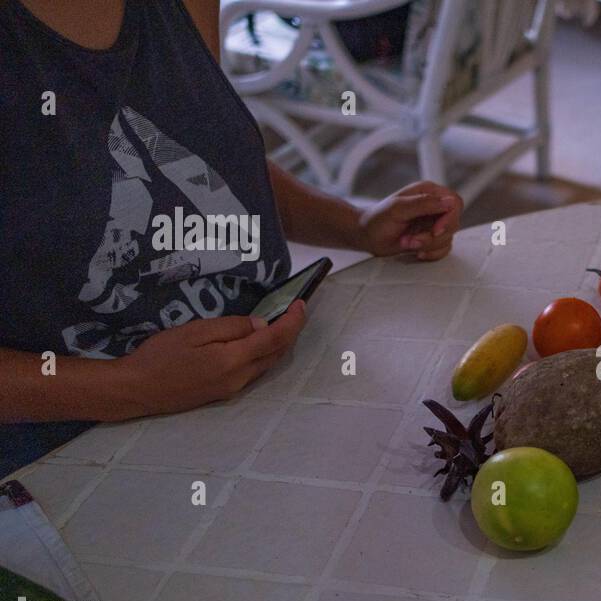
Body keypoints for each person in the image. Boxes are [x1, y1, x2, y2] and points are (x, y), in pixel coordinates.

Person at [0, 0, 464, 477]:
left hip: (263, 367)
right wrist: (128, 387)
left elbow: (214, 159)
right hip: (69, 453)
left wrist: (355, 225)